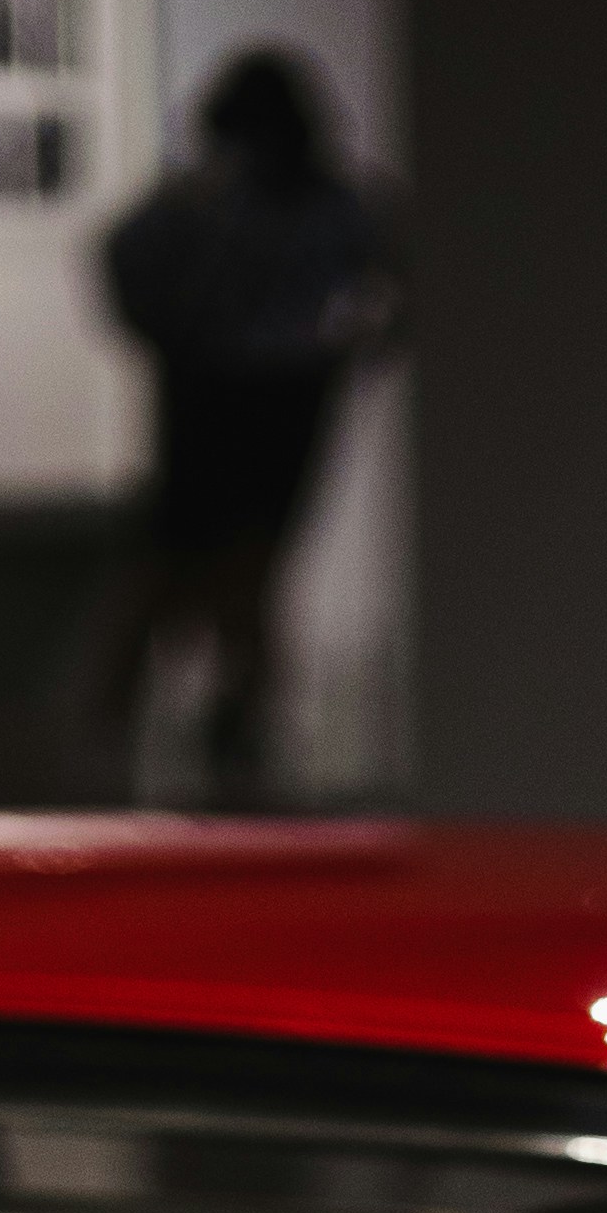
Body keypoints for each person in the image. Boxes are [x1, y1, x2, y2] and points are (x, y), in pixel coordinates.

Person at [89, 48, 401, 801]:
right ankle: (145, 725)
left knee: (229, 569)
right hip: (236, 393)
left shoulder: (290, 202)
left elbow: (396, 276)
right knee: (202, 566)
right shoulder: (226, 201)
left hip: (256, 393)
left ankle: (207, 726)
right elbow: (124, 261)